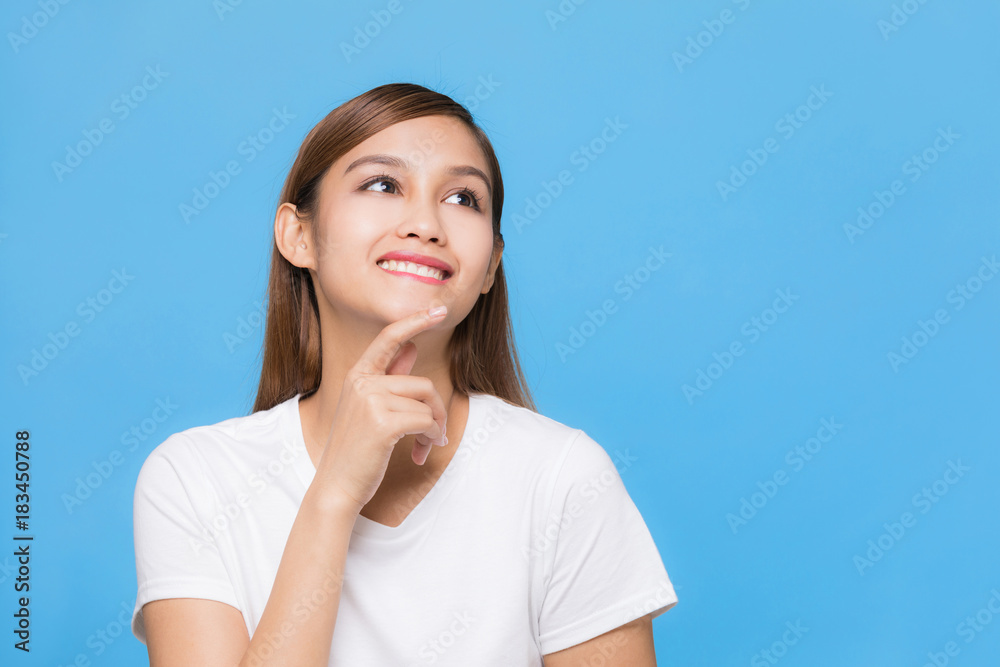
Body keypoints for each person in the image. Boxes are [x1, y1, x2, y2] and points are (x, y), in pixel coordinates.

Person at [130, 82, 677, 666]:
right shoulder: (194, 480)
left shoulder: (562, 478)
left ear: (490, 266)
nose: (425, 223)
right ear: (299, 235)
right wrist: (333, 496)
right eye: (382, 185)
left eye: (463, 198)